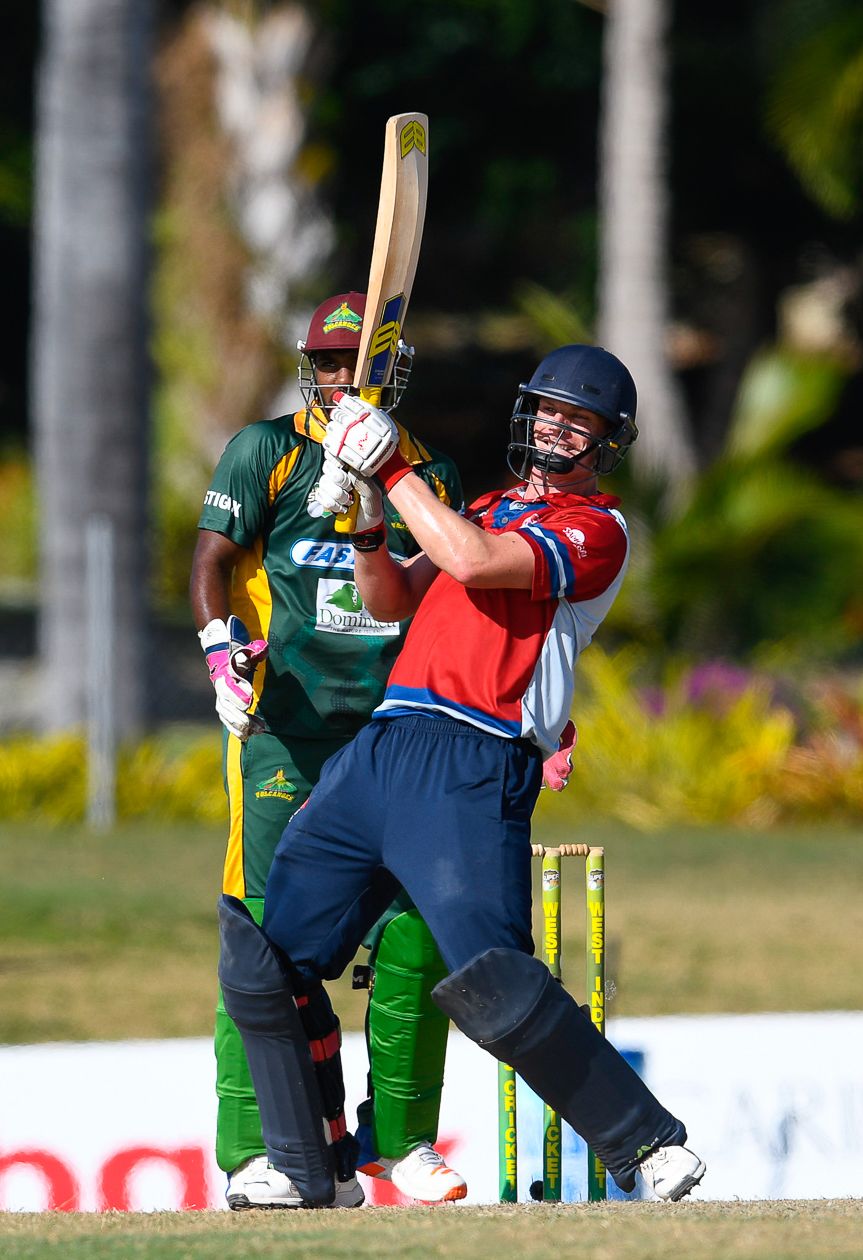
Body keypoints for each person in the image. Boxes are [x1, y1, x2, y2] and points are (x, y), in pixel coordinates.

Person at [217, 342, 708, 1207]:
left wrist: (393, 463)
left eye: (578, 420)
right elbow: (388, 599)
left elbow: (477, 562)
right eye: (548, 410)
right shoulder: (482, 503)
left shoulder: (597, 529)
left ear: (607, 443)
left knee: (491, 973)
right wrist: (365, 513)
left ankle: (650, 1145)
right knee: (267, 959)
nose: (556, 427)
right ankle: (311, 1170)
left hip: (473, 760)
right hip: (383, 744)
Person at [190, 291, 469, 1208]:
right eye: (331, 362)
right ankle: (262, 1154)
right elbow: (212, 565)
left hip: (396, 738)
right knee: (265, 943)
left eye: (364, 364)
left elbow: (451, 596)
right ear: (313, 365)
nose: (346, 378)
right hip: (286, 735)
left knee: (418, 935)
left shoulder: (431, 470)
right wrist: (222, 652)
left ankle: (401, 1145)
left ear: (394, 368)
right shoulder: (265, 450)